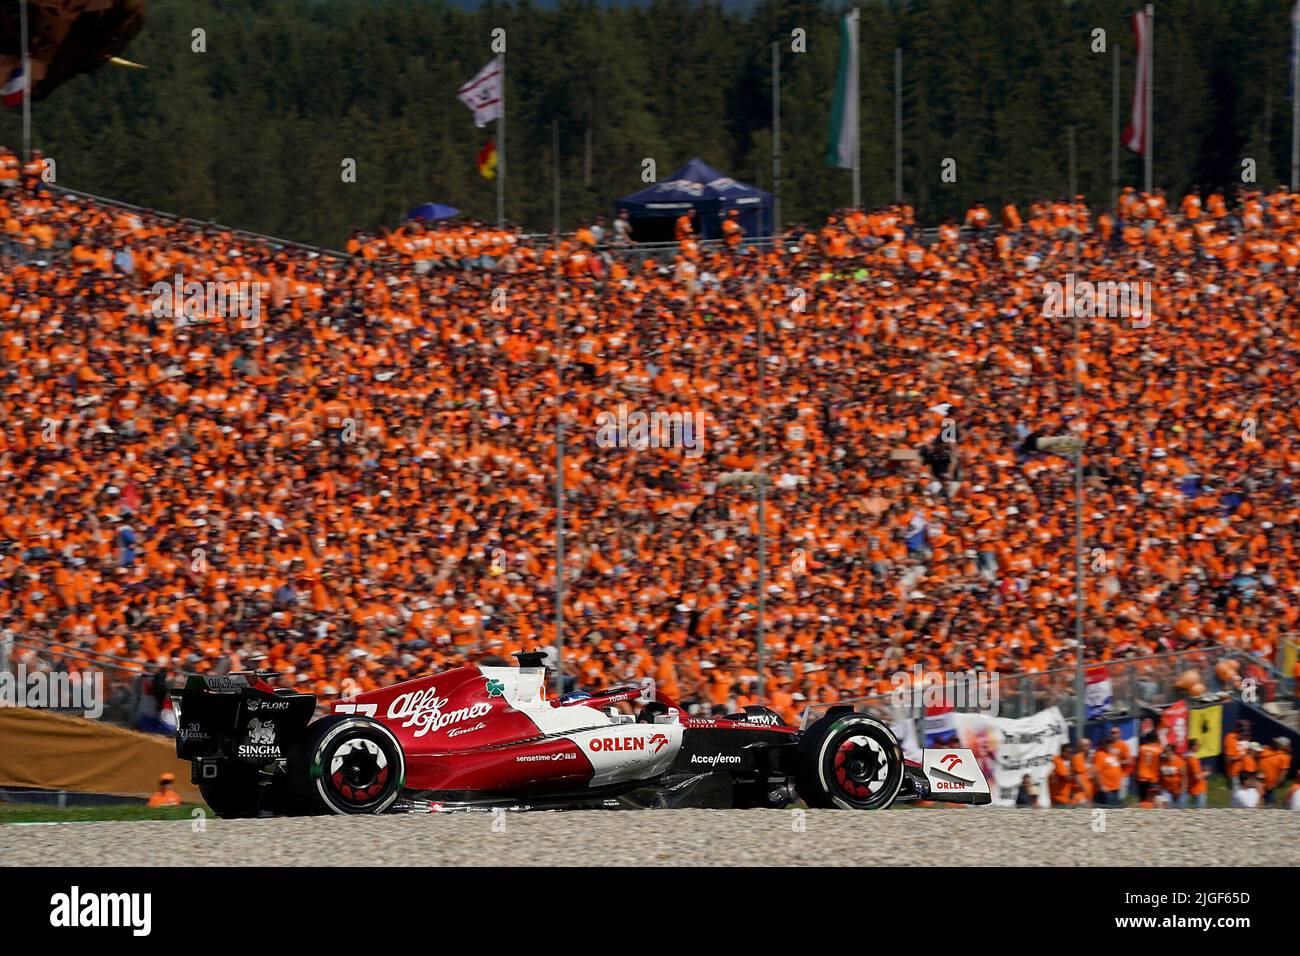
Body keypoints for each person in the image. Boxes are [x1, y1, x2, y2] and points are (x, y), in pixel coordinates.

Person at [1184, 737, 1209, 809]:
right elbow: (1197, 776)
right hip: (1198, 788)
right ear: (1193, 746)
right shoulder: (1192, 759)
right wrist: (1206, 773)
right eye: (1198, 745)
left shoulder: (1186, 757)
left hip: (1191, 787)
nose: (1199, 746)